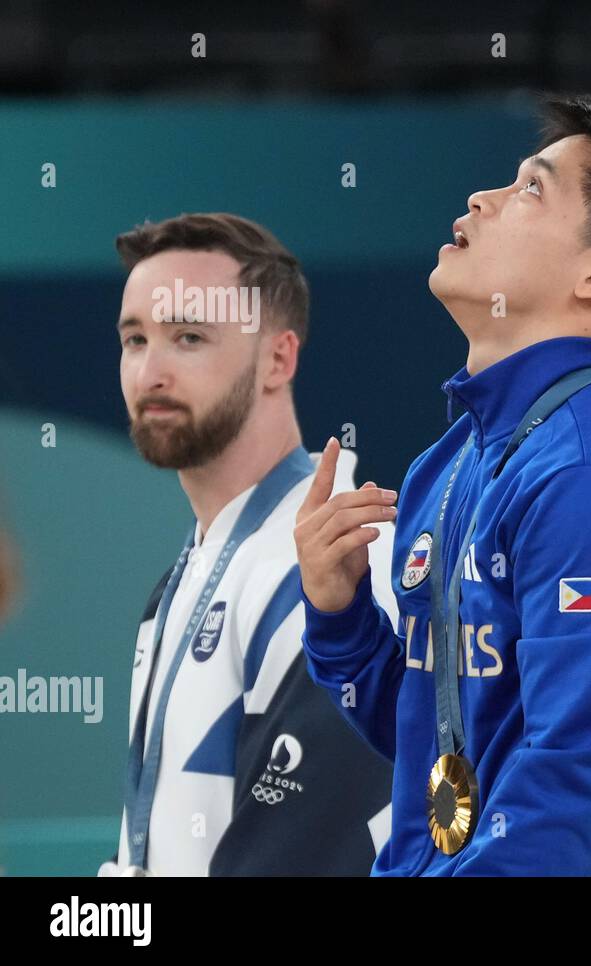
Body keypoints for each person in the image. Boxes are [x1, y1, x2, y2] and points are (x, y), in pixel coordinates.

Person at [295, 93, 591, 876]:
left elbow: (561, 796)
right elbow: (435, 743)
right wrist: (340, 619)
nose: (482, 198)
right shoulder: (450, 463)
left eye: (531, 189)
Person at [107, 213, 397, 876]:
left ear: (278, 358)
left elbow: (307, 854)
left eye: (188, 337)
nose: (150, 371)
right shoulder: (188, 574)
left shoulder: (333, 560)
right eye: (134, 339)